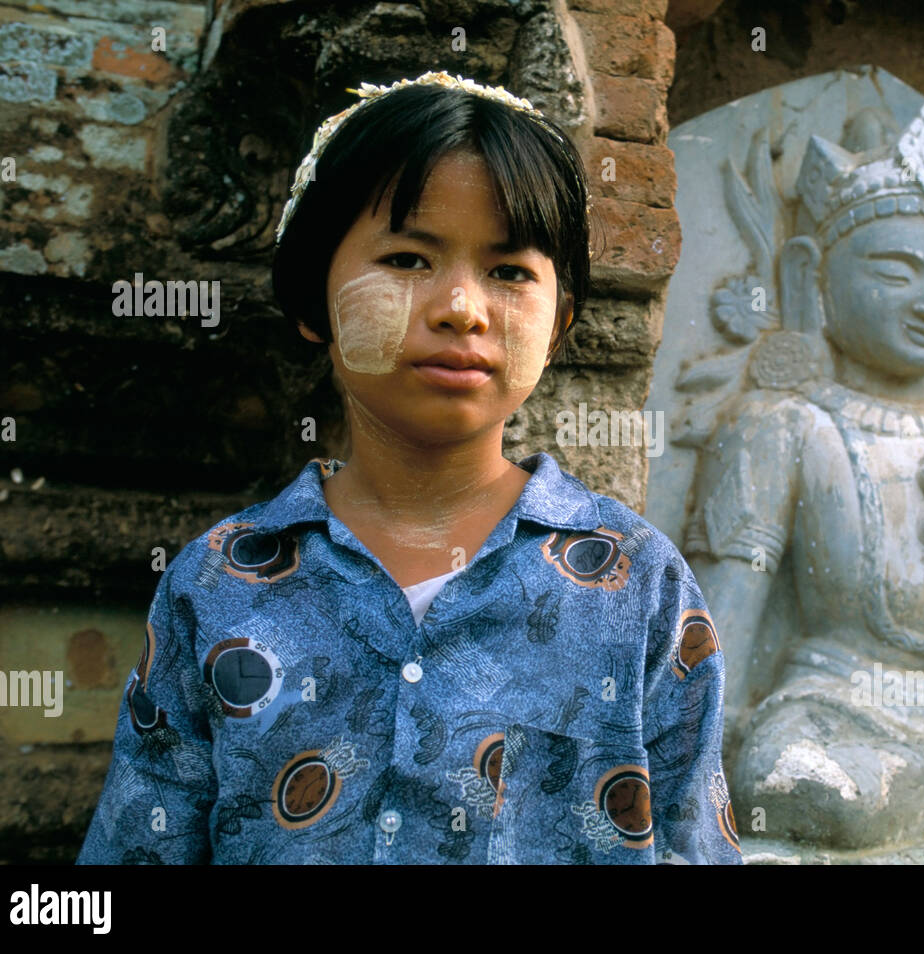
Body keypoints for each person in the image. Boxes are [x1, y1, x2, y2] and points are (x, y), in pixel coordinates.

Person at [77, 71, 743, 865]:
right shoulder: (216, 585)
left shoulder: (637, 585)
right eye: (406, 257)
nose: (462, 306)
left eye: (509, 272)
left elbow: (694, 843)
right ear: (313, 300)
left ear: (560, 321)